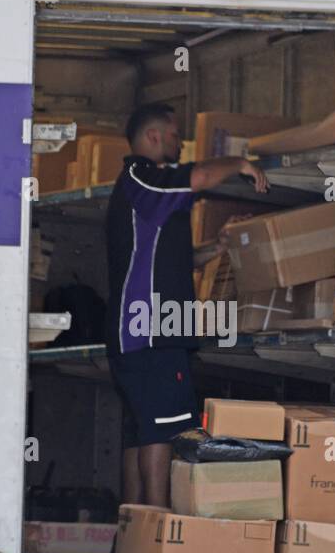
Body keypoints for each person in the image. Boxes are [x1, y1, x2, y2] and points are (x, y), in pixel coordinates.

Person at [105, 102, 269, 508]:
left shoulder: (145, 195)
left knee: (143, 430)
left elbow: (169, 258)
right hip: (152, 331)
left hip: (143, 332)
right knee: (165, 430)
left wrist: (214, 249)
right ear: (153, 136)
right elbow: (198, 176)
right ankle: (160, 522)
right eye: (176, 136)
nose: (180, 144)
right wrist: (240, 163)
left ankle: (137, 527)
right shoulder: (143, 178)